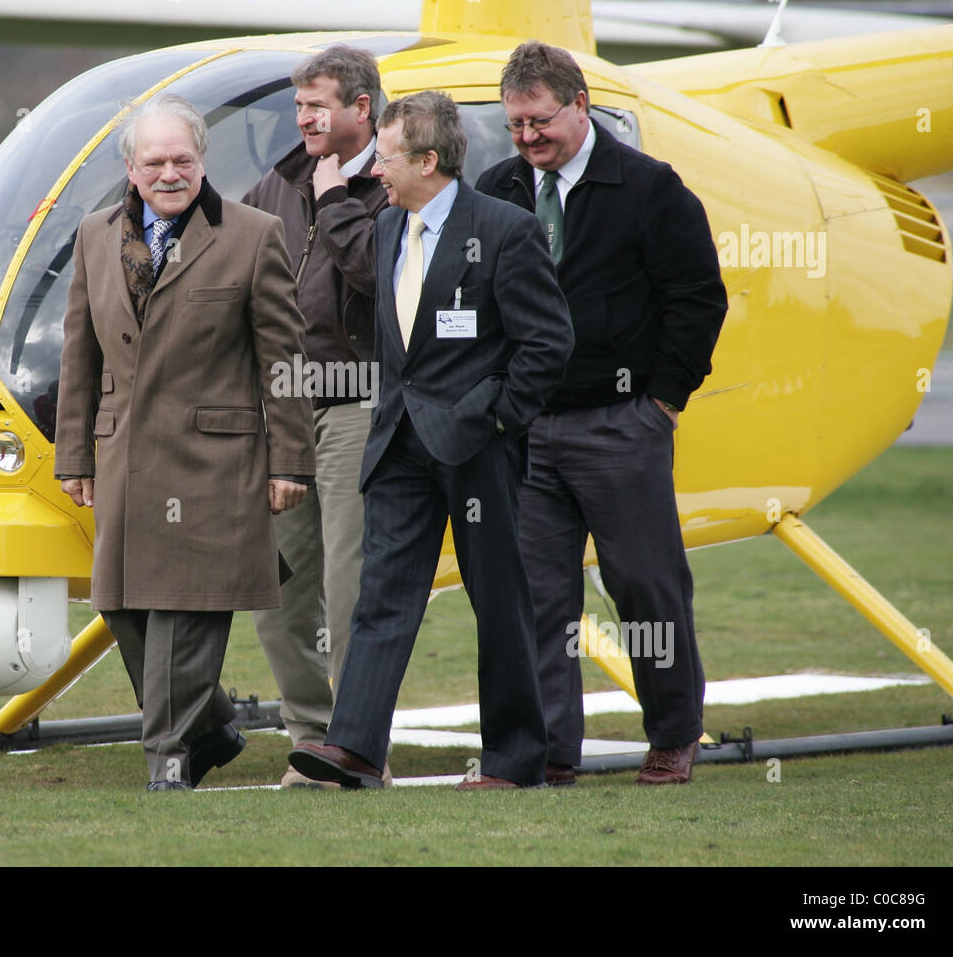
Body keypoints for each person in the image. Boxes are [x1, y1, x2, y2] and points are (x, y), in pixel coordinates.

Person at [289, 91, 573, 790]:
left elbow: (549, 342)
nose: (376, 171)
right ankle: (353, 746)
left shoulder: (505, 229)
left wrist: (497, 416)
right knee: (381, 597)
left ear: (428, 159)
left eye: (385, 158)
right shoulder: (388, 228)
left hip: (479, 446)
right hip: (400, 448)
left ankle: (515, 761)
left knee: (500, 602)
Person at [476, 41, 728, 785]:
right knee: (535, 598)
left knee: (646, 587)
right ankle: (551, 752)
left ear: (580, 105)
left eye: (539, 122)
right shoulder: (498, 189)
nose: (526, 139)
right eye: (514, 124)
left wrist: (661, 403)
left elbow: (697, 300)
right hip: (526, 434)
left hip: (623, 427)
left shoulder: (651, 189)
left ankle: (675, 733)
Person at [55, 93, 315, 791]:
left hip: (215, 463)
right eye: (155, 162)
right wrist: (73, 454)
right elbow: (79, 356)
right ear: (131, 169)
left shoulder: (253, 234)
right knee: (120, 603)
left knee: (182, 612)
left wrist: (290, 459)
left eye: (183, 159)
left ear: (203, 162)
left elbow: (282, 360)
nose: (170, 173)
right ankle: (212, 727)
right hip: (125, 461)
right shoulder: (93, 235)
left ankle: (168, 763)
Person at [241, 45, 390, 785]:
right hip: (282, 406)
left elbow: (376, 277)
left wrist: (337, 201)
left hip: (360, 399)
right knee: (277, 584)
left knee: (351, 582)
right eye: (298, 106)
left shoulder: (397, 180)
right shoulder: (276, 182)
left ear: (362, 109)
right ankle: (310, 734)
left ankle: (360, 743)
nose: (303, 118)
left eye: (318, 105)